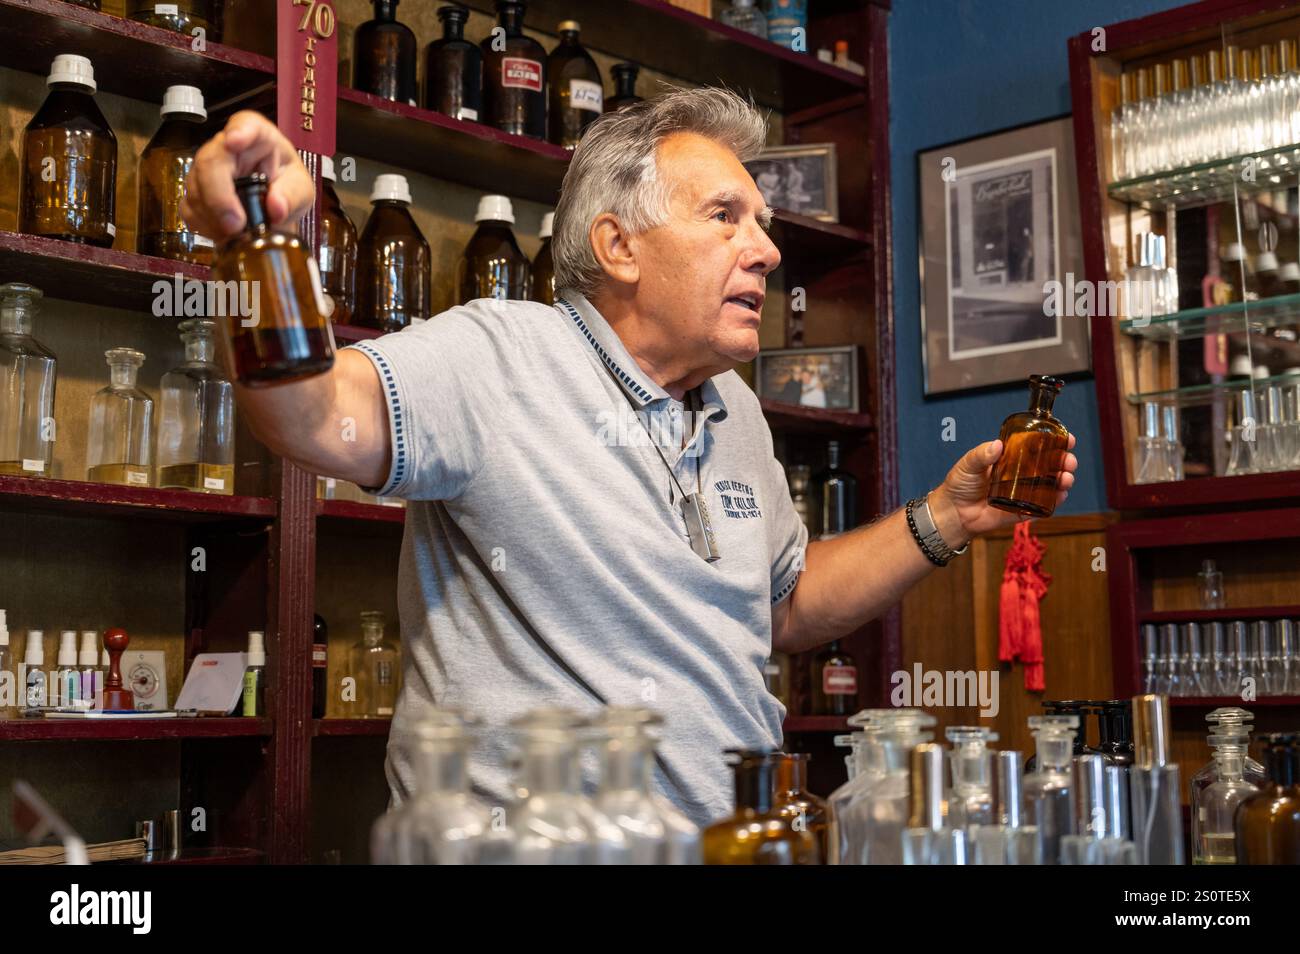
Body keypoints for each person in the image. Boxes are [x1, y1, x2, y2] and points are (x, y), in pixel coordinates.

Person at [182, 88, 1078, 828]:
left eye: (761, 222)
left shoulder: (734, 409)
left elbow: (786, 607)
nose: (765, 249)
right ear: (618, 247)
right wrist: (250, 247)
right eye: (725, 216)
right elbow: (308, 415)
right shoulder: (500, 356)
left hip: (734, 840)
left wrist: (948, 517)